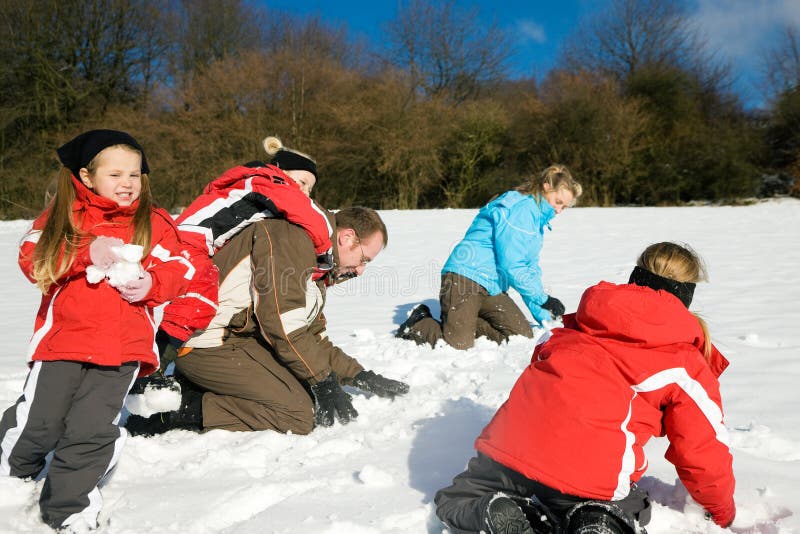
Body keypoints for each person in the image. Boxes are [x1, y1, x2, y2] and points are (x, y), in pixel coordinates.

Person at [434, 242, 736, 534]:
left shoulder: (573, 327)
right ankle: (598, 519)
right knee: (634, 507)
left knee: (458, 500)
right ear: (687, 295)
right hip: (591, 478)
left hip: (508, 455)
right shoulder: (685, 361)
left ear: (635, 276)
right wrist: (721, 511)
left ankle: (499, 511)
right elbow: (702, 449)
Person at [0, 130, 193, 531]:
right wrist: (84, 252)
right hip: (62, 344)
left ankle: (68, 509)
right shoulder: (62, 216)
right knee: (41, 422)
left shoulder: (154, 221)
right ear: (87, 177)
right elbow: (31, 258)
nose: (128, 183)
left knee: (91, 430)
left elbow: (184, 266)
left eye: (135, 175)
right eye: (116, 174)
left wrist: (153, 285)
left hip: (123, 349)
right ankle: (12, 474)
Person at [125, 202, 410, 436]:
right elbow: (283, 326)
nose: (361, 271)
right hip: (205, 343)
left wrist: (359, 375)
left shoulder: (317, 265)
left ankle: (202, 387)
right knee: (298, 413)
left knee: (304, 389)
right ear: (347, 237)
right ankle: (176, 410)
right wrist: (322, 380)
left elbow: (311, 337)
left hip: (236, 342)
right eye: (364, 260)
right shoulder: (290, 240)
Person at [148, 136, 335, 379]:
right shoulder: (269, 183)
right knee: (198, 297)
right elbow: (307, 213)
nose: (305, 192)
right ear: (281, 171)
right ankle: (154, 365)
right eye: (301, 182)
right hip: (186, 243)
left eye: (309, 187)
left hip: (189, 243)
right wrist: (324, 254)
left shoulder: (252, 187)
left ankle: (154, 358)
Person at [396, 165, 582, 350]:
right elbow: (513, 266)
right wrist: (543, 298)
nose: (559, 210)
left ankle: (464, 320)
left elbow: (528, 269)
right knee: (457, 346)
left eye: (564, 207)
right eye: (558, 202)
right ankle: (419, 324)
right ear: (546, 187)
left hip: (492, 287)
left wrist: (545, 315)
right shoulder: (522, 209)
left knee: (520, 336)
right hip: (465, 277)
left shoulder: (537, 222)